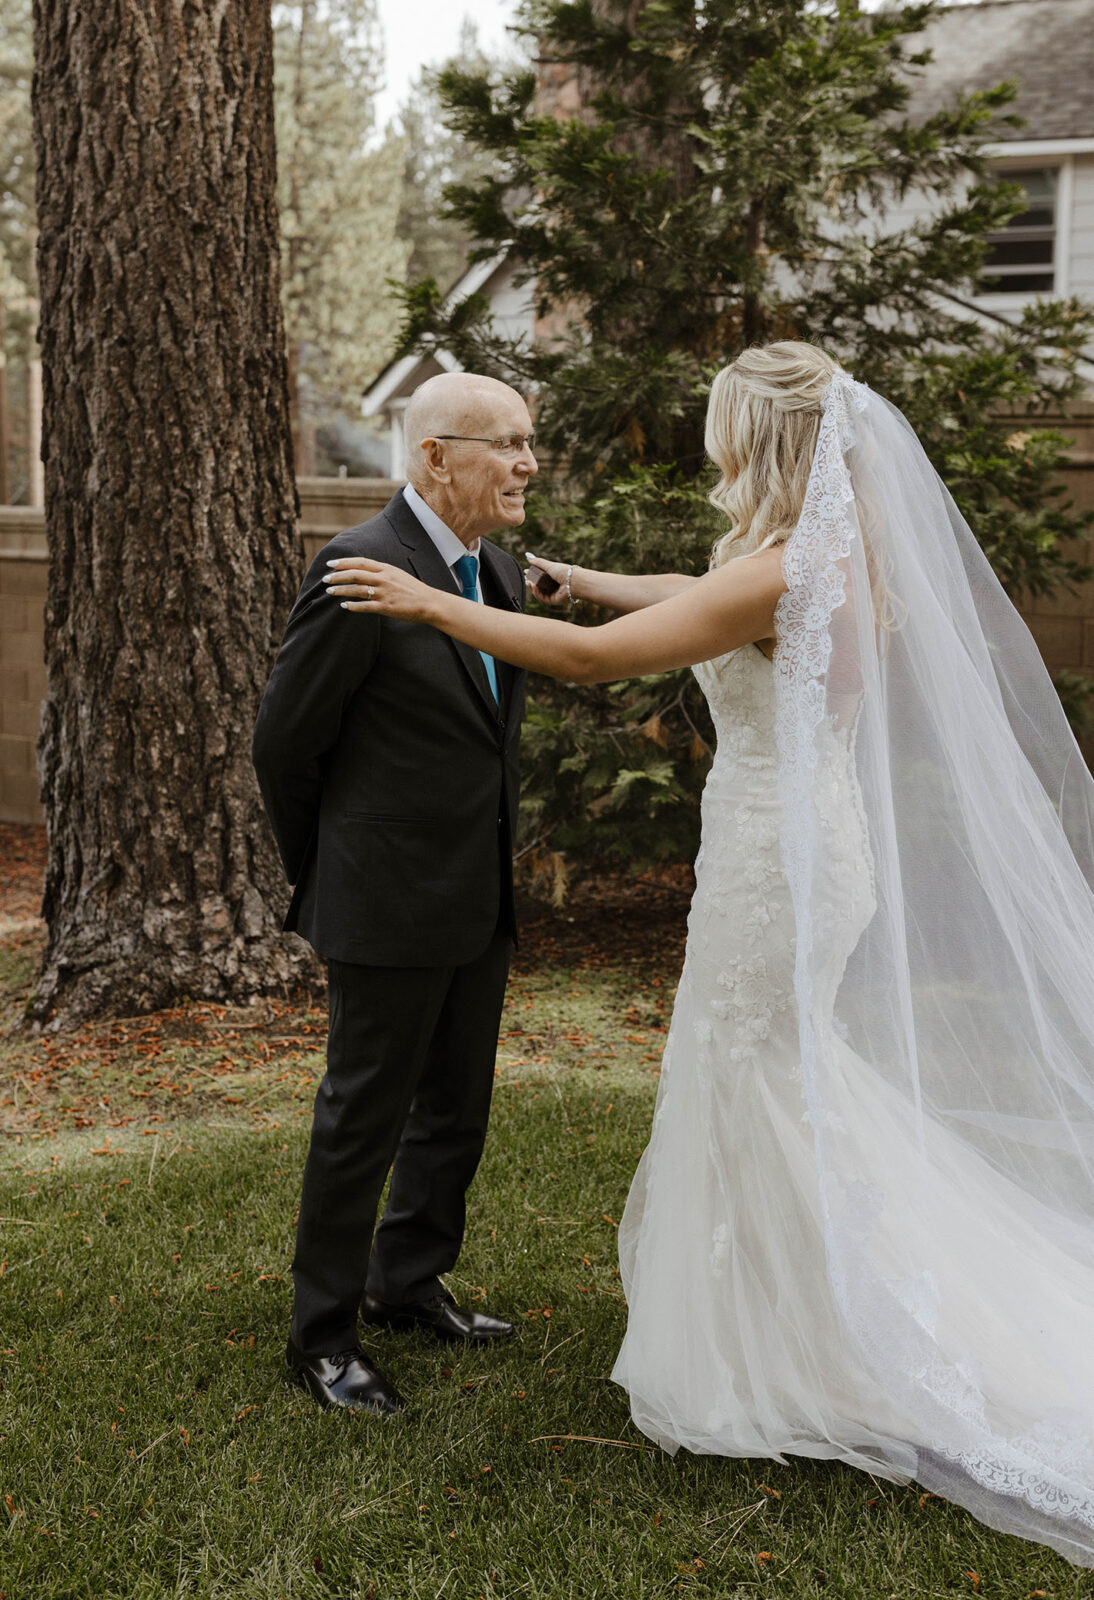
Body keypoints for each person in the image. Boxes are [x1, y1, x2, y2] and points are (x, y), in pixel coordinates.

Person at [324, 341, 1094, 1566]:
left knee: (754, 1074)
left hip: (774, 866)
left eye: (725, 428)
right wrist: (585, 575)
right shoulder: (817, 557)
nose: (711, 446)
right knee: (778, 1074)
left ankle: (818, 1341)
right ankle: (793, 1308)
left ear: (764, 442)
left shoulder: (781, 571)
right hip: (803, 849)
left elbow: (594, 659)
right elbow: (699, 590)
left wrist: (429, 603)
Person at [252, 372, 535, 1414]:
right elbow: (284, 744)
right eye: (506, 443)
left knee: (456, 1106)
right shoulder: (360, 565)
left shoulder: (493, 569)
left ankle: (407, 1283)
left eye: (529, 442)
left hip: (477, 895)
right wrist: (333, 866)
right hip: (382, 899)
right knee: (362, 1117)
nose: (526, 463)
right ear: (434, 455)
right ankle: (322, 1337)